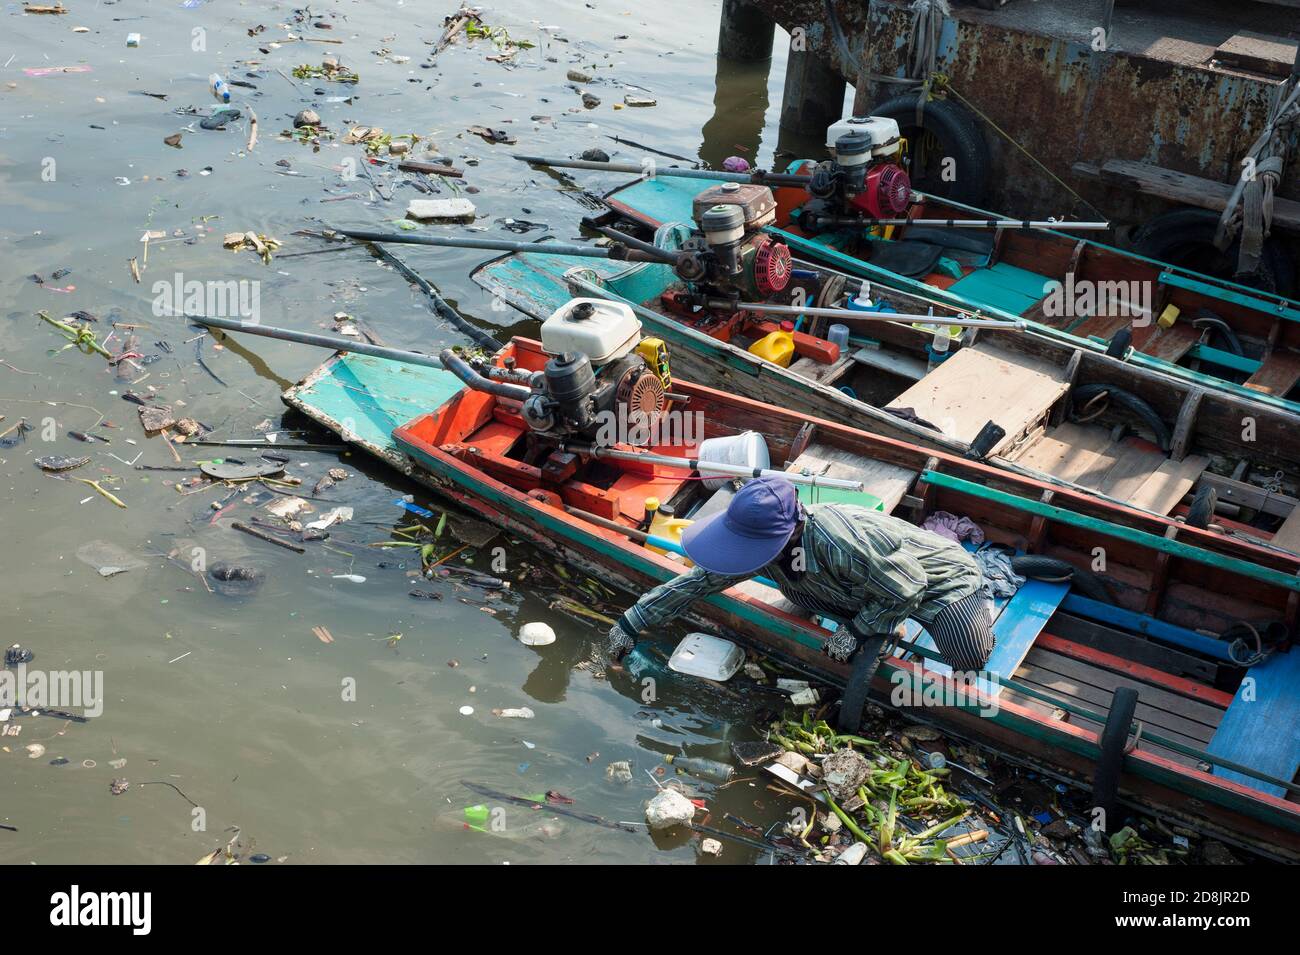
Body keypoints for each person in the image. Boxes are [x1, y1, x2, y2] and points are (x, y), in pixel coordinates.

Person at [606, 475, 994, 672]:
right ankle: (881, 619)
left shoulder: (838, 542)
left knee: (969, 656)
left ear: (790, 529)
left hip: (938, 580)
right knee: (795, 611)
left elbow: (910, 585)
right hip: (866, 583)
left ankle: (891, 620)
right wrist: (633, 618)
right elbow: (701, 580)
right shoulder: (771, 545)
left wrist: (856, 631)